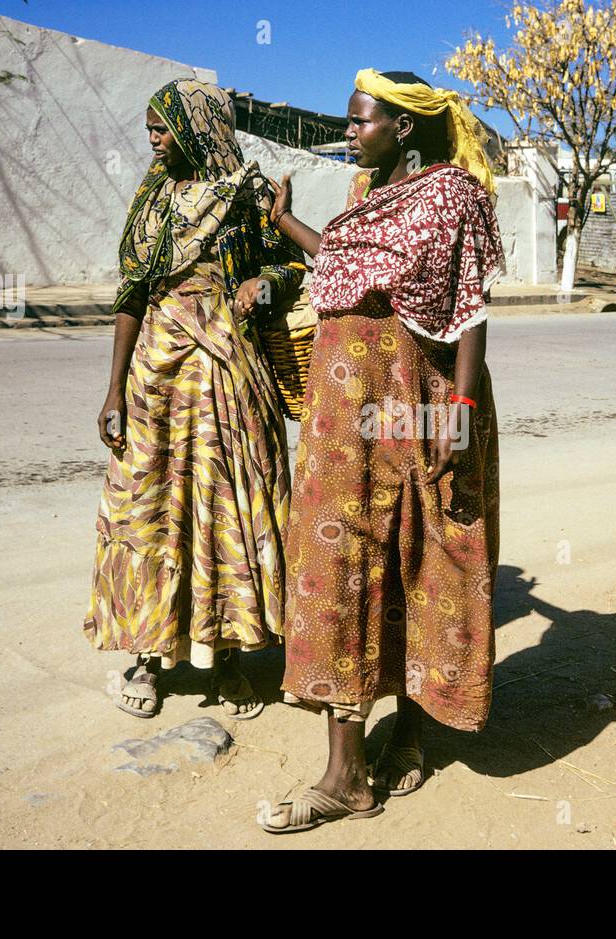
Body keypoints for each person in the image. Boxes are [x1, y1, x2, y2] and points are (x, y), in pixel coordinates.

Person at [258, 69, 503, 833]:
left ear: (404, 126)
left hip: (418, 401)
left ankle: (411, 731)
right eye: (350, 120)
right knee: (336, 568)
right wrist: (285, 225)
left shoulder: (452, 194)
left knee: (420, 560)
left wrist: (458, 417)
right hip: (342, 418)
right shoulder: (365, 199)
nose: (349, 132)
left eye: (361, 121)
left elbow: (470, 308)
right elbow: (342, 263)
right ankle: (345, 772)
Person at [83, 79, 305, 721]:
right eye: (151, 128)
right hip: (157, 370)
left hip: (229, 370)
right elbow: (130, 295)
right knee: (150, 504)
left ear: (198, 129)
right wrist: (114, 387)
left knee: (227, 505)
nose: (153, 139)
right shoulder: (152, 198)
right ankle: (147, 655)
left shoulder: (248, 196)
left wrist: (262, 284)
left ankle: (228, 652)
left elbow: (293, 269)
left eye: (162, 128)